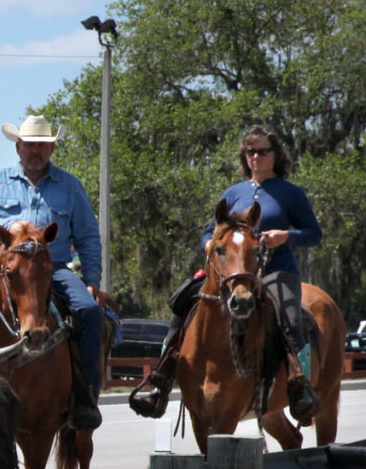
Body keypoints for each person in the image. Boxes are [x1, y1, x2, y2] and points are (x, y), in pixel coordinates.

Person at [129, 125, 324, 422]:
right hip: (230, 273)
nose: (255, 157)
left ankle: (300, 387)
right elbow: (211, 230)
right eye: (250, 152)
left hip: (275, 270)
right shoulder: (233, 193)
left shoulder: (290, 193)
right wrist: (209, 243)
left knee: (290, 320)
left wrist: (285, 236)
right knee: (182, 304)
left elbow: (313, 233)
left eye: (262, 151)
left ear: (275, 154)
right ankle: (162, 380)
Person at [0, 113, 104, 430]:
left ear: (52, 148)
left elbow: (87, 237)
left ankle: (85, 396)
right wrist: (7, 229)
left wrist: (93, 281)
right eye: (30, 145)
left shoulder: (70, 187)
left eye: (43, 145)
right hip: (4, 266)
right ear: (18, 147)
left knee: (88, 311)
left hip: (52, 268)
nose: (36, 151)